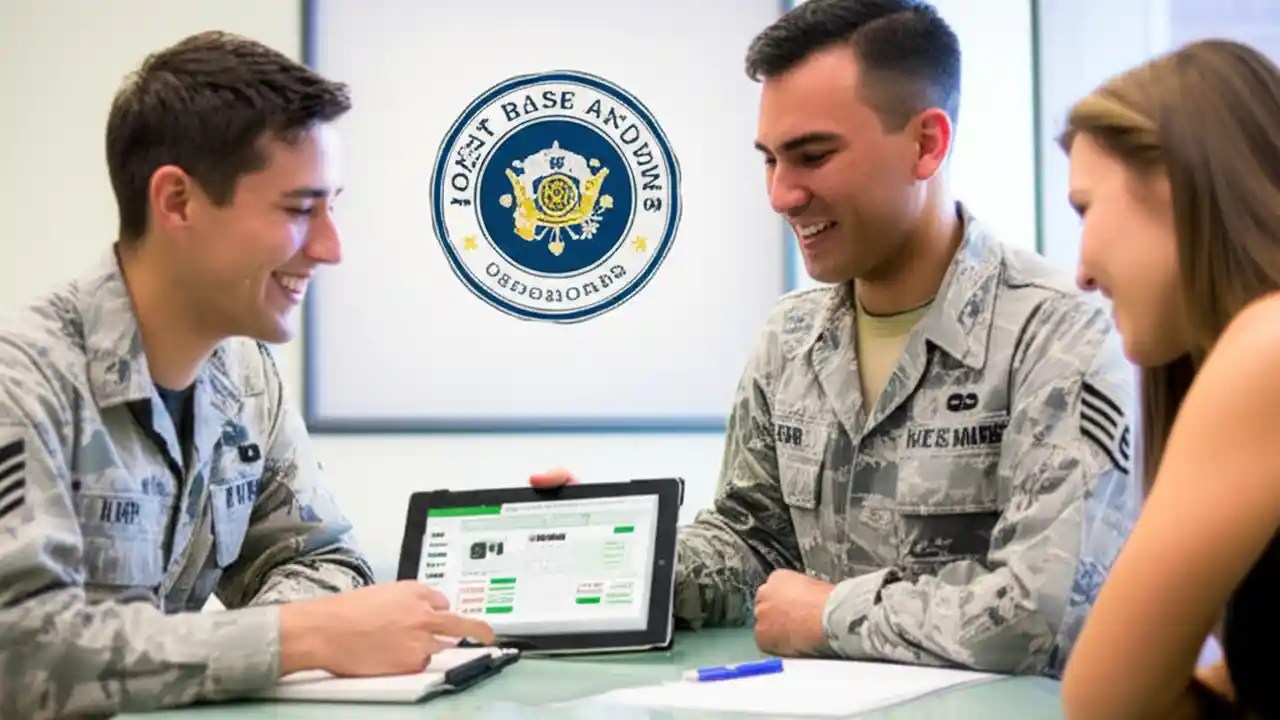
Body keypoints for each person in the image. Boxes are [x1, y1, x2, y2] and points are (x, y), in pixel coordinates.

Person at [533, 0, 1139, 676]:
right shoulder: (789, 336)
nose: (781, 195)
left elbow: (1043, 615)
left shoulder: (1058, 333)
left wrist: (827, 615)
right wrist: (620, 556)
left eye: (812, 156)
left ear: (925, 144)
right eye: (769, 161)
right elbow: (753, 543)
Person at [0, 31, 493, 719]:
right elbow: (21, 652)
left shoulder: (244, 376)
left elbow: (325, 562)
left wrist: (306, 635)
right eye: (298, 210)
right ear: (177, 202)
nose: (331, 248)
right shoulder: (20, 381)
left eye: (332, 207)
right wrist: (303, 636)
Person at [1058, 38, 1280, 720]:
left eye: (1085, 209)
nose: (1083, 273)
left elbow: (1103, 704)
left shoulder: (1267, 346)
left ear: (1176, 182)